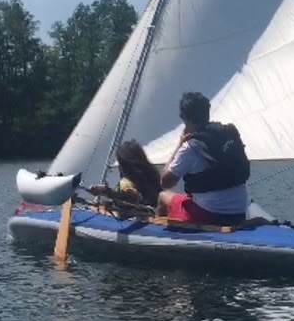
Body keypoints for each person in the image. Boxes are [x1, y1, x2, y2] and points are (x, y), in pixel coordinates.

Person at [157, 91, 250, 226]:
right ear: (207, 112)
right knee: (189, 197)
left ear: (184, 117)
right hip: (239, 212)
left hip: (210, 215)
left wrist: (179, 144)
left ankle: (159, 239)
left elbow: (165, 182)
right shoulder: (228, 133)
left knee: (163, 196)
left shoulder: (190, 147)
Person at [87, 140, 162, 213]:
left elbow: (132, 199)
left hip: (136, 219)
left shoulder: (126, 183)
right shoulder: (153, 175)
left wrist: (106, 191)